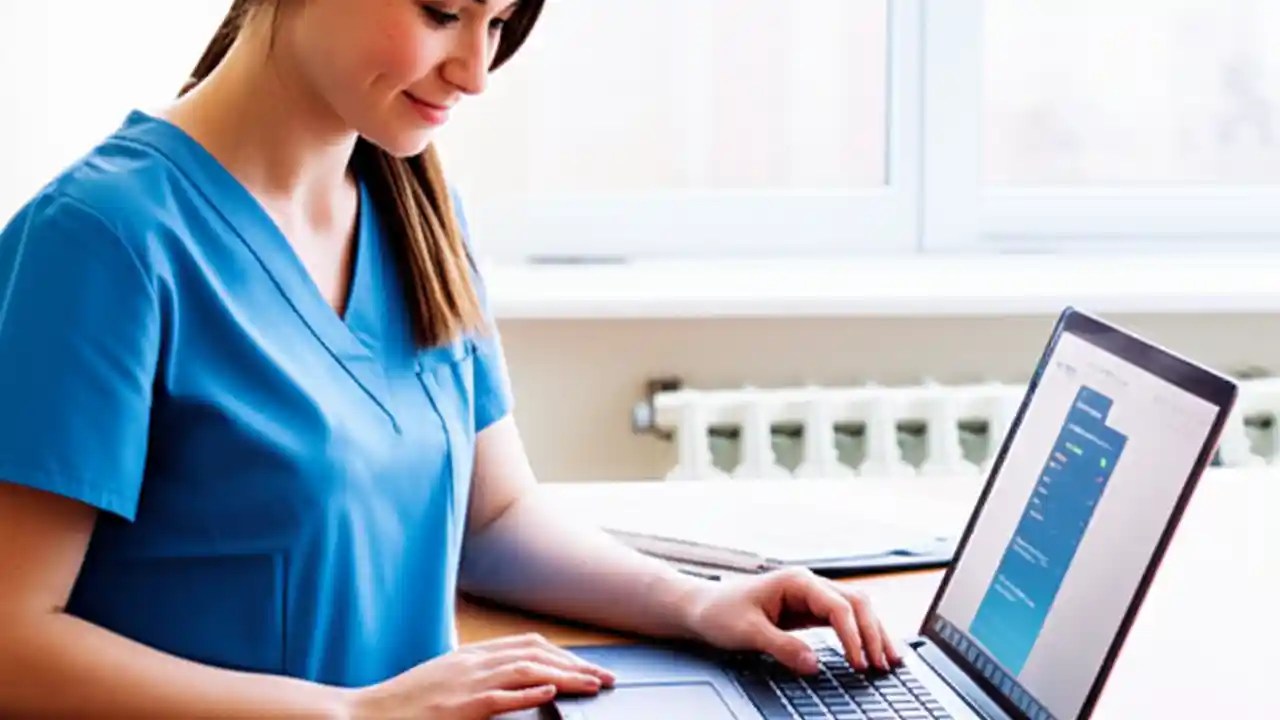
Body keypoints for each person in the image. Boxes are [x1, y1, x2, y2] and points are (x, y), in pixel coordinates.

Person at [0, 1, 902, 717]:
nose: (475, 71)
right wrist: (351, 715)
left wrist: (702, 604)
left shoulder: (415, 207)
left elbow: (493, 519)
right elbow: (11, 644)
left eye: (499, 23)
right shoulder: (102, 243)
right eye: (441, 13)